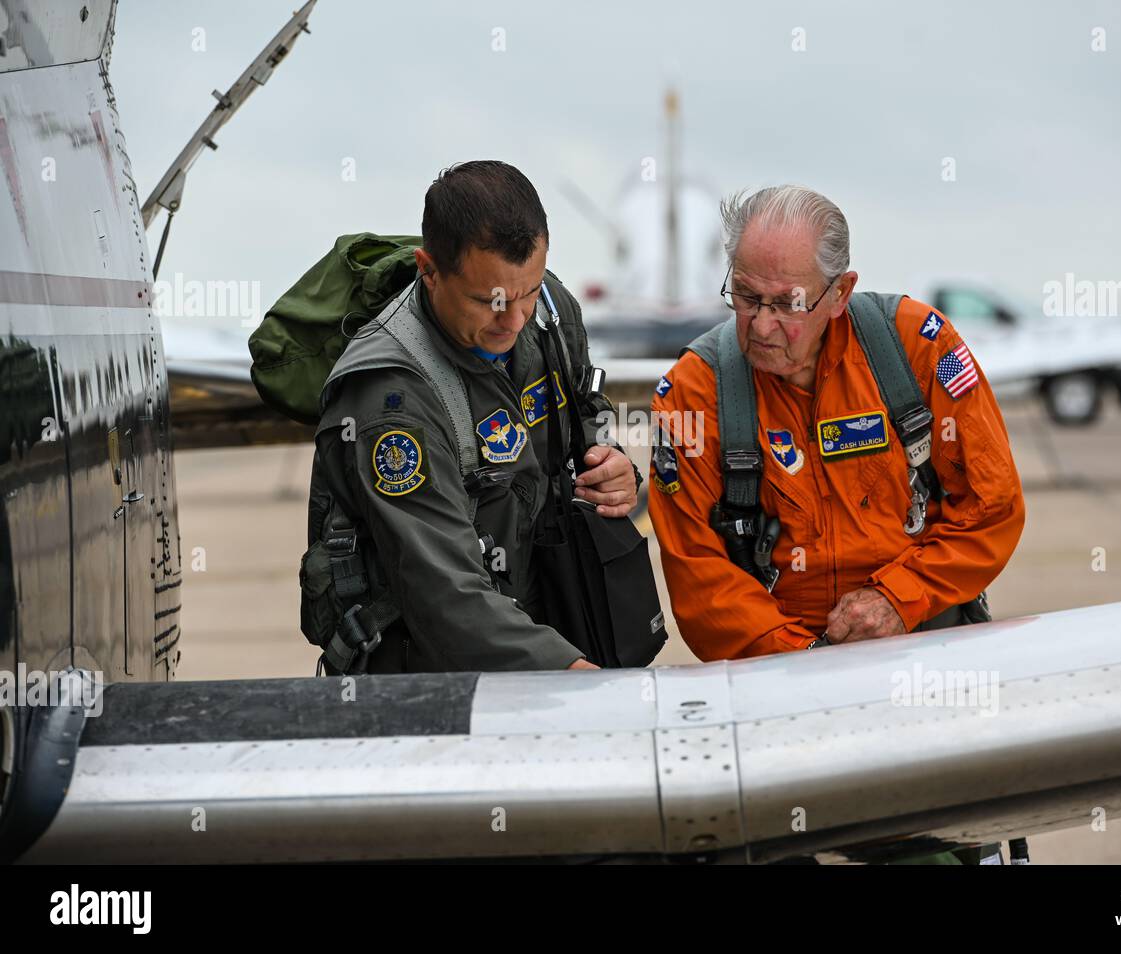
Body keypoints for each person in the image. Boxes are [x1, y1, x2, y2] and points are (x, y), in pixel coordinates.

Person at [648, 184, 1026, 864]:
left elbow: (991, 508)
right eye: (745, 297)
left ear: (840, 292)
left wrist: (896, 600)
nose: (762, 325)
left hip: (917, 676)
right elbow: (699, 581)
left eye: (786, 304)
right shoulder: (694, 394)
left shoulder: (915, 350)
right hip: (773, 701)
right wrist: (810, 671)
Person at [305, 160, 639, 674]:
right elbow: (444, 595)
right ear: (429, 271)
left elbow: (586, 413)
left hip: (546, 643)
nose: (514, 320)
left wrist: (613, 468)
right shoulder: (391, 401)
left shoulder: (549, 312)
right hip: (433, 687)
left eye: (527, 292)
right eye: (490, 301)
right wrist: (575, 677)